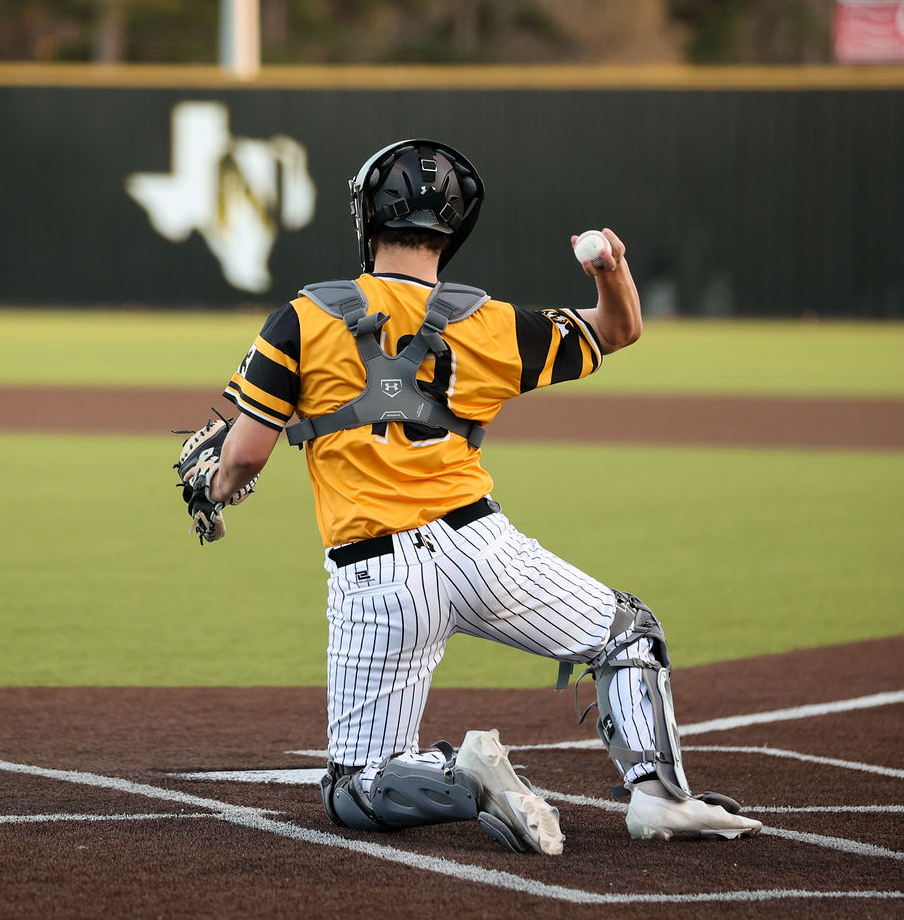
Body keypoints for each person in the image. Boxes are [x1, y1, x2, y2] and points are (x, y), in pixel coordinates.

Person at [181, 139, 761, 853]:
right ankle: (659, 797)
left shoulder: (300, 319)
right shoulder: (489, 323)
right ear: (453, 230)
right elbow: (620, 328)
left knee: (354, 785)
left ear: (367, 216)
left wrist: (211, 486)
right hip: (483, 550)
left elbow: (241, 456)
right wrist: (611, 267)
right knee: (627, 634)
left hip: (378, 578)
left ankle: (469, 778)